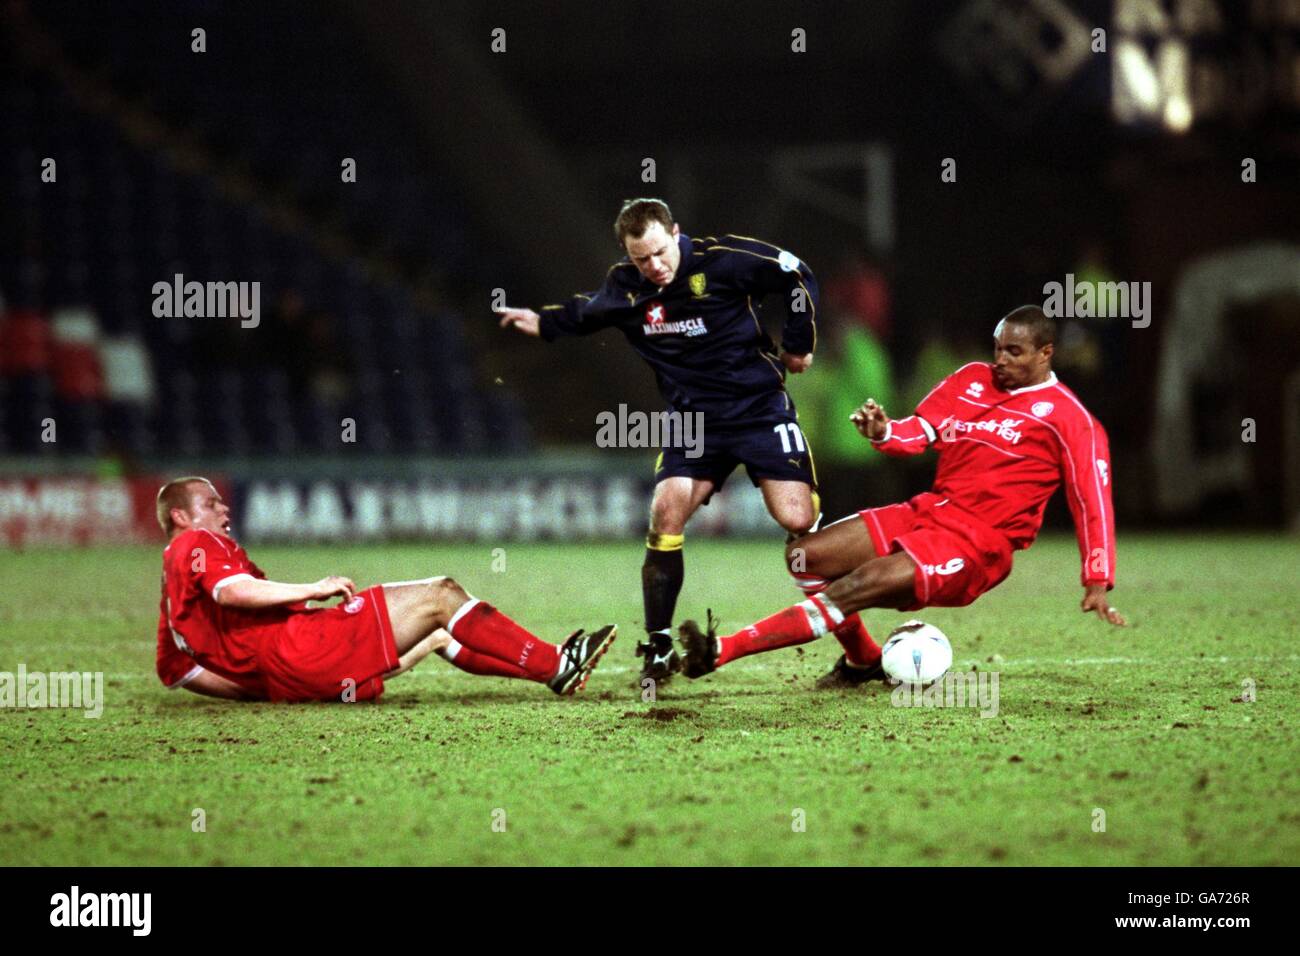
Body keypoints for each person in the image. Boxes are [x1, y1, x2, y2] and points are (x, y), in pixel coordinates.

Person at [676, 305, 1126, 685]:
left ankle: (719, 650)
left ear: (1046, 353)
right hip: (929, 512)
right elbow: (921, 429)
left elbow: (1093, 499)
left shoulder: (1070, 419)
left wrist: (1096, 578)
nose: (1000, 360)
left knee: (859, 585)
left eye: (1014, 352)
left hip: (977, 545)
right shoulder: (971, 379)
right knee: (804, 557)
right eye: (998, 349)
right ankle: (862, 660)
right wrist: (884, 430)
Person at [497, 198, 820, 685]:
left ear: (676, 232)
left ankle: (854, 640)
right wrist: (544, 323)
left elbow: (796, 274)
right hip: (693, 421)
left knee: (798, 518)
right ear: (628, 256)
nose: (654, 266)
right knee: (665, 508)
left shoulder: (723, 261)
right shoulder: (627, 288)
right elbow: (588, 312)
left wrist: (799, 342)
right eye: (641, 258)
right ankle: (660, 645)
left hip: (758, 409)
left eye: (661, 252)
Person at [153, 477, 615, 701]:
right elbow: (231, 592)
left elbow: (176, 670)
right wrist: (313, 587)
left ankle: (552, 668)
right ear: (180, 517)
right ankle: (556, 664)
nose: (223, 507)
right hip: (304, 649)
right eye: (210, 502)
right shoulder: (198, 542)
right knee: (441, 593)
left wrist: (264, 687)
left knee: (439, 631)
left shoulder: (170, 592)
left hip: (293, 674)